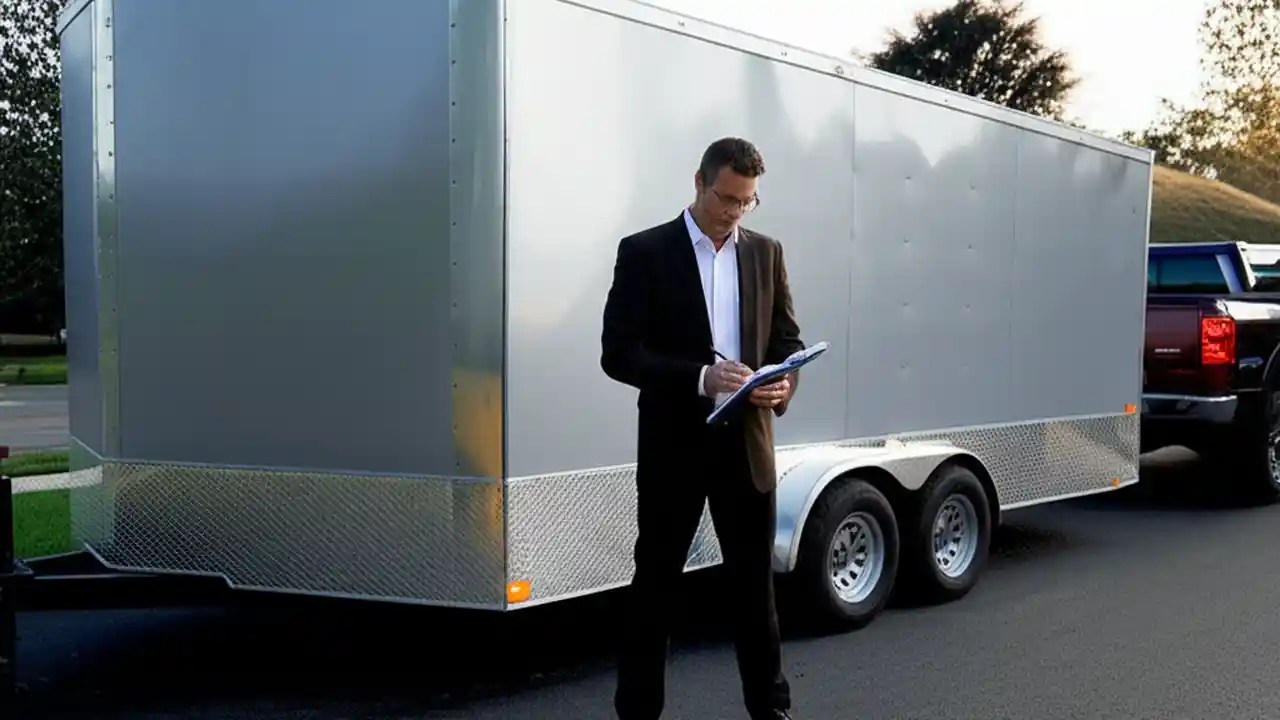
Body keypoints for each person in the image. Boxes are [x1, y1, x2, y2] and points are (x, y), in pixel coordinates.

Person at [600, 137, 805, 720]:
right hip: (674, 449)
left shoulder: (766, 253)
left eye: (747, 202)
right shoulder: (644, 252)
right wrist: (701, 378)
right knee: (655, 588)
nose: (734, 212)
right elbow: (618, 354)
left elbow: (785, 341)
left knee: (753, 591)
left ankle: (771, 709)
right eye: (726, 198)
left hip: (747, 449)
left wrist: (781, 385)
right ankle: (638, 712)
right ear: (699, 181)